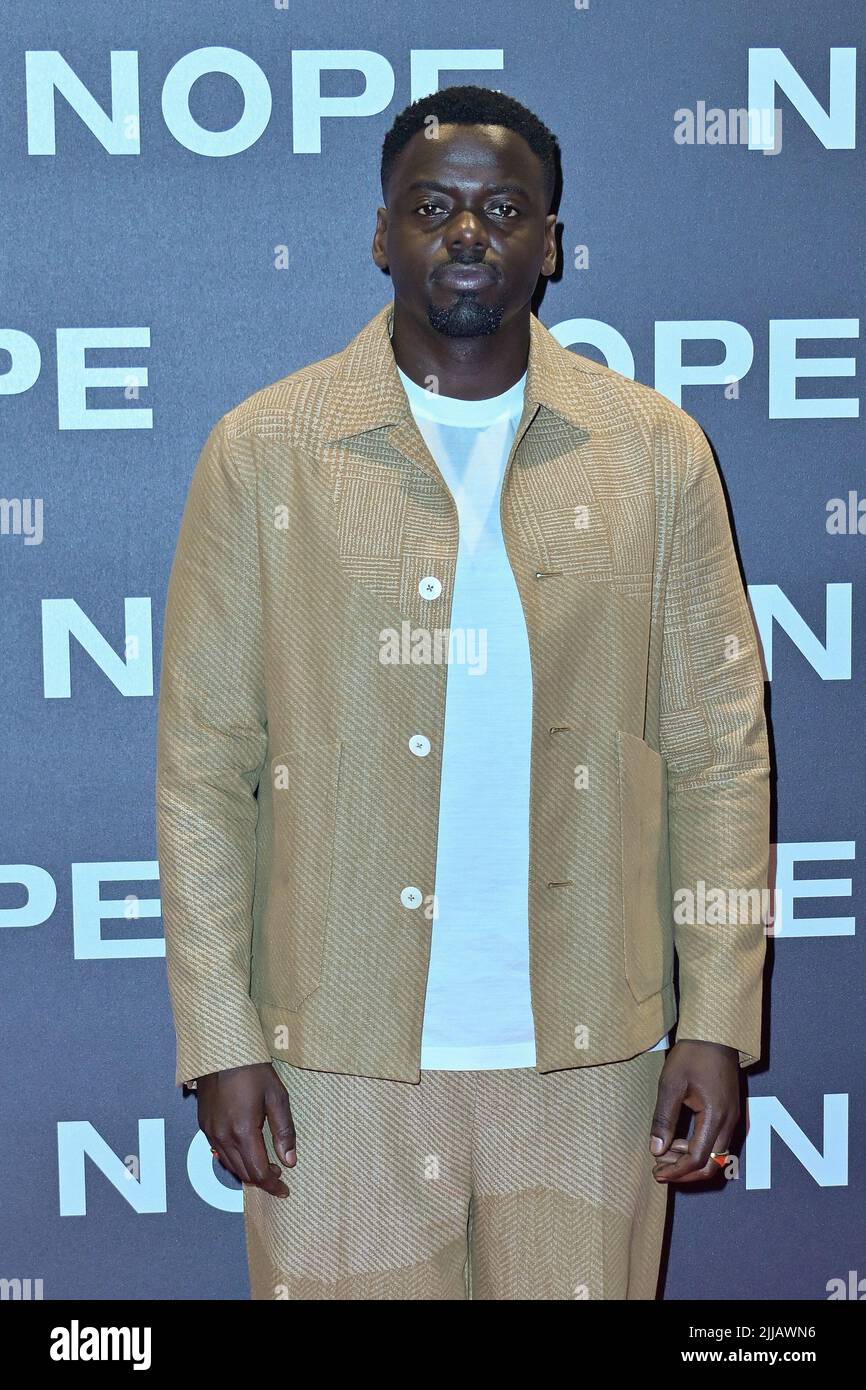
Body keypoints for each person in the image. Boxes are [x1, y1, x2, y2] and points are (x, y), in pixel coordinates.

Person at [156, 84, 771, 1300]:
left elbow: (716, 750)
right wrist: (220, 1038)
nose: (468, 234)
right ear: (381, 235)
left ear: (550, 244)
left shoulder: (654, 453)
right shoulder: (264, 449)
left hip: (588, 1059)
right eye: (431, 207)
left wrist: (715, 1012)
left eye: (504, 208)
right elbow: (205, 768)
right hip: (337, 1057)